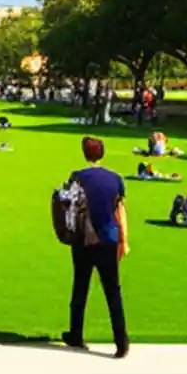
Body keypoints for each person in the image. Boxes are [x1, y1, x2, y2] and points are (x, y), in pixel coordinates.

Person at [62, 137, 129, 359]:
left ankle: (76, 333)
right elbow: (120, 212)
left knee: (80, 285)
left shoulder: (77, 177)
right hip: (108, 237)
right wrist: (124, 240)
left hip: (83, 238)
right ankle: (121, 341)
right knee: (113, 290)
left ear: (85, 153)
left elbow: (69, 206)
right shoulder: (115, 179)